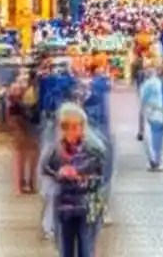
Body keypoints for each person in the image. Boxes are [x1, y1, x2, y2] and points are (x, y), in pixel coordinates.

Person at [41, 103, 105, 257]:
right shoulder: (54, 152)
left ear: (83, 127)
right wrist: (59, 174)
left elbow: (99, 175)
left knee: (86, 248)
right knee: (65, 249)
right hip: (64, 209)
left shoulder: (92, 149)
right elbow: (46, 169)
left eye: (76, 126)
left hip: (87, 209)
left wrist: (80, 175)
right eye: (65, 126)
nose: (71, 131)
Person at [138, 63, 163, 171]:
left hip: (149, 112)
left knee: (150, 137)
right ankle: (157, 160)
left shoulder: (146, 85)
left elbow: (142, 100)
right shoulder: (159, 83)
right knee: (158, 136)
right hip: (159, 111)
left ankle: (153, 160)